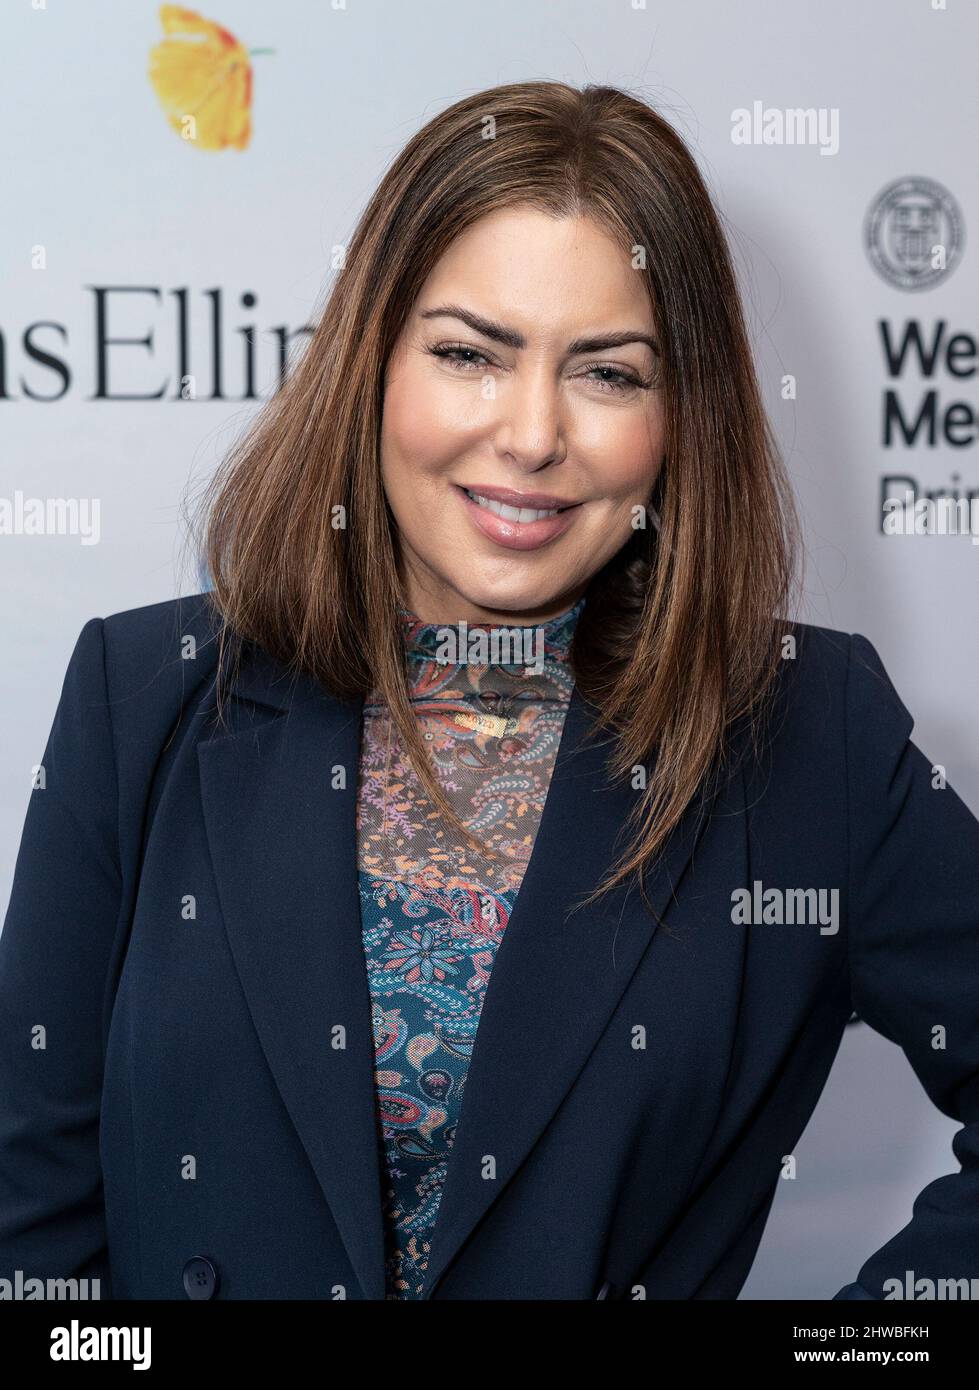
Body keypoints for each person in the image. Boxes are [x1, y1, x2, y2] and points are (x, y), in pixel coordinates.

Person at [1, 80, 978, 1302]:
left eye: (607, 373)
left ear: (682, 414)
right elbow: (30, 1221)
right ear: (371, 361)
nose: (529, 435)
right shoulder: (140, 694)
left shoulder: (801, 726)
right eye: (469, 354)